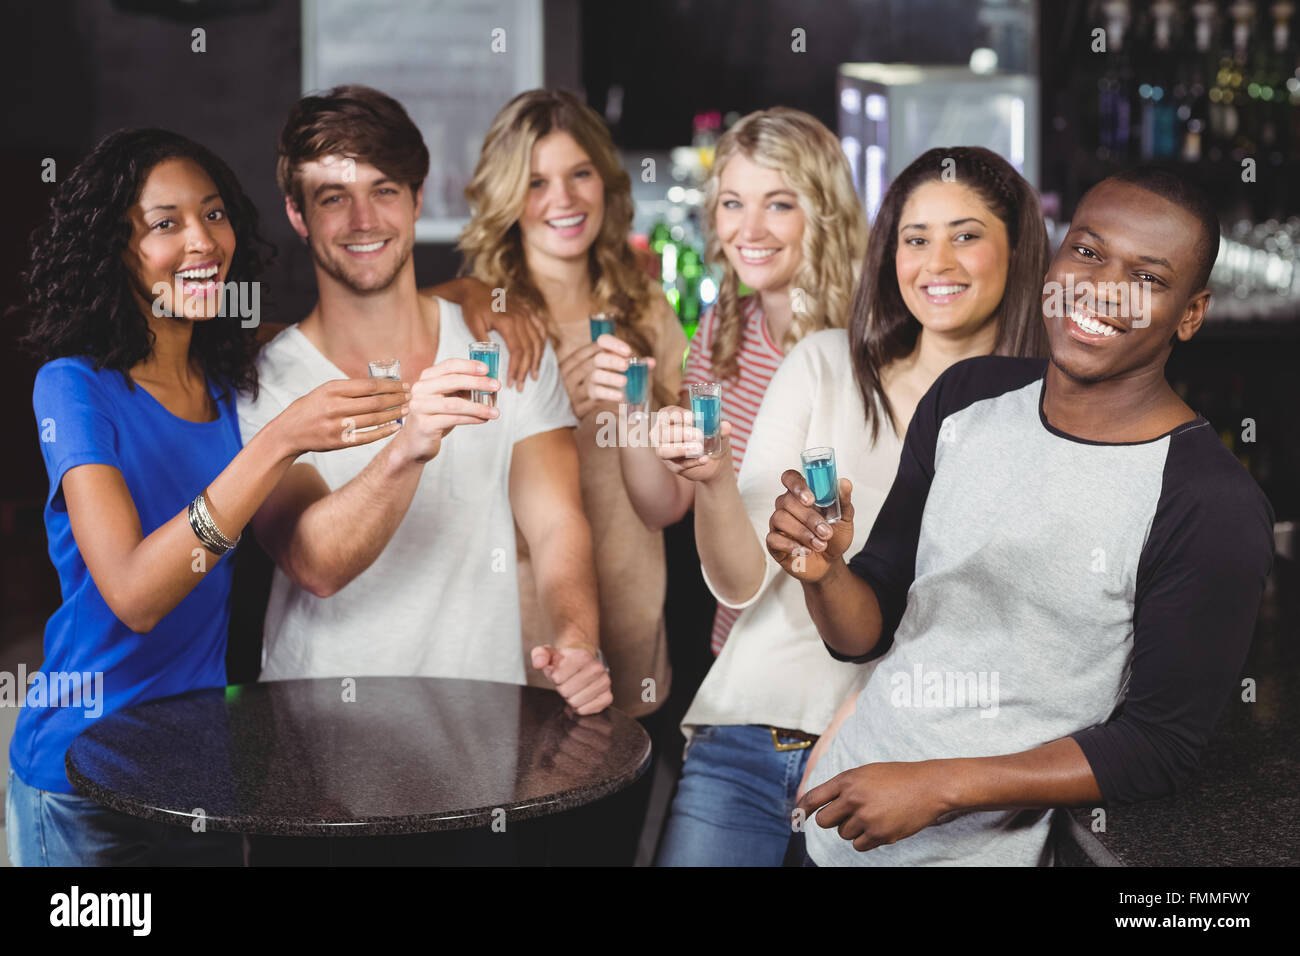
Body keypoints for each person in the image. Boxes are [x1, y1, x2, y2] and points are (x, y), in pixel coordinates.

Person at [776, 167, 1273, 866]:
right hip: (841, 821)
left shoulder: (1208, 502)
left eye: (1149, 279)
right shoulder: (964, 397)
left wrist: (939, 786)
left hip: (984, 853)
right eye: (1090, 252)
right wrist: (823, 573)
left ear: (1191, 314)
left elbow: (1160, 748)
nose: (1100, 288)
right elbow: (867, 631)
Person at [7, 128, 407, 865]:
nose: (202, 241)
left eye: (214, 214)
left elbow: (358, 314)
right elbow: (133, 593)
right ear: (116, 249)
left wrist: (478, 295)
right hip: (81, 775)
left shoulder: (232, 379)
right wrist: (277, 440)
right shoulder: (74, 386)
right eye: (165, 224)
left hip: (196, 769)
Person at [654, 147, 1050, 866]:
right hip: (753, 731)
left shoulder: (1044, 414)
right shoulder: (825, 363)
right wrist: (713, 480)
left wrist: (861, 712)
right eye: (915, 238)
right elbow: (741, 581)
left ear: (1017, 249)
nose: (937, 261)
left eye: (966, 234)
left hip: (904, 759)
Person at [237, 85, 611, 715]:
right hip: (313, 739)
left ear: (416, 199)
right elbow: (315, 563)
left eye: (384, 190)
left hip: (478, 726)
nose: (363, 221)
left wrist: (575, 637)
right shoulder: (267, 380)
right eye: (334, 198)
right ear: (298, 216)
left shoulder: (503, 344)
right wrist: (407, 448)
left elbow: (555, 525)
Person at [455, 89, 686, 719]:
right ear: (506, 198)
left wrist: (632, 416)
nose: (564, 199)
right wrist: (554, 416)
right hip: (517, 658)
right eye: (535, 182)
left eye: (580, 173)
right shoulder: (484, 321)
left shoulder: (646, 310)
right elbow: (455, 502)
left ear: (605, 183)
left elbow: (665, 507)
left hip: (635, 644)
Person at [613, 107, 868, 664]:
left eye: (778, 203)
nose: (748, 231)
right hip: (738, 661)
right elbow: (666, 504)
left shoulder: (867, 340)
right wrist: (630, 400)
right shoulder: (723, 328)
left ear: (822, 213)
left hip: (836, 664)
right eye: (733, 204)